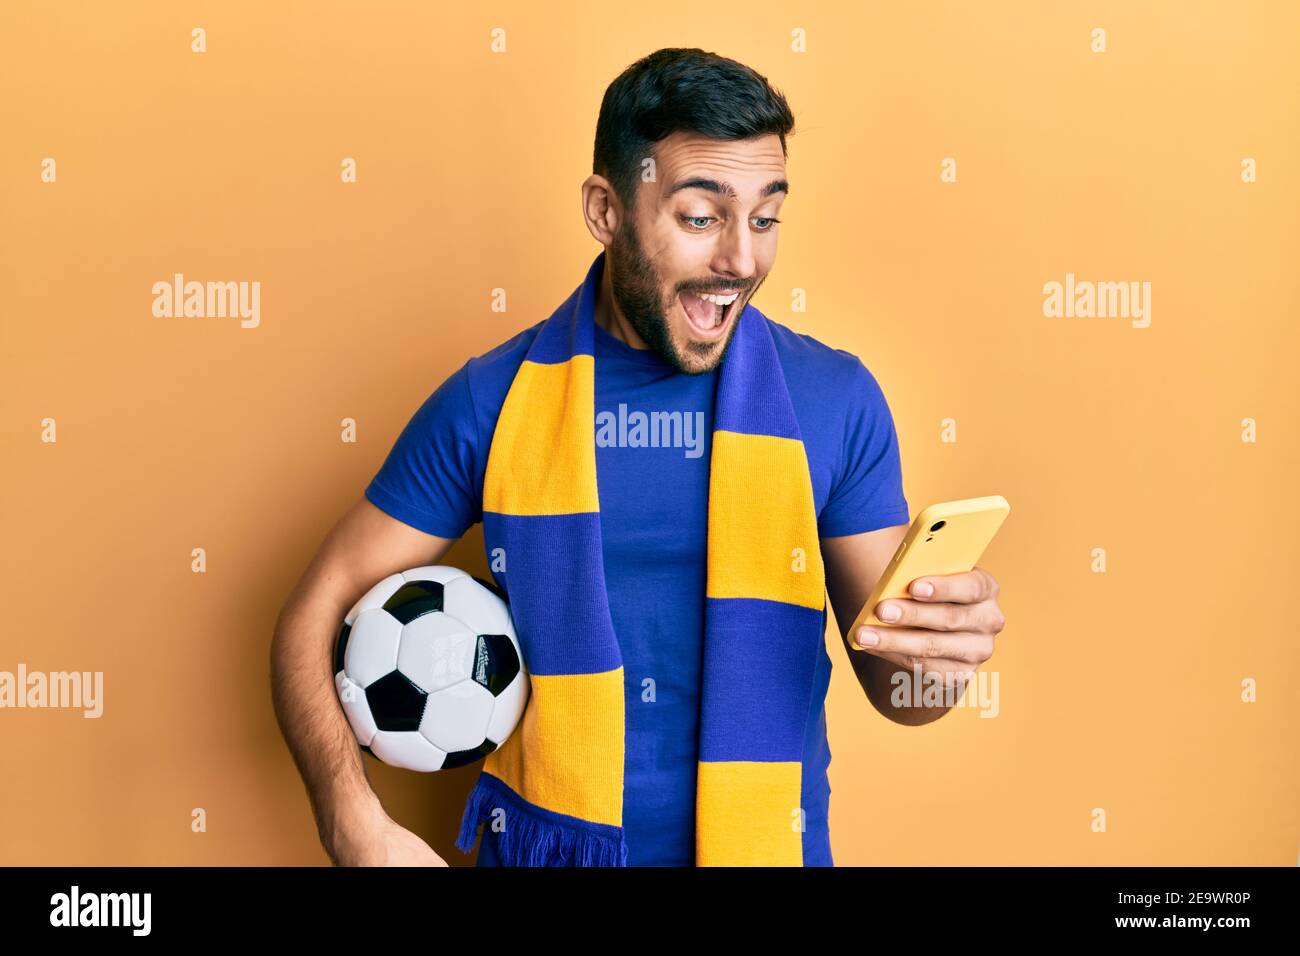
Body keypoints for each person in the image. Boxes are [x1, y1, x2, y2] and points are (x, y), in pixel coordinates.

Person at [271, 47, 1007, 867]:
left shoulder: (835, 401)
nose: (741, 259)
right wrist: (352, 824)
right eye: (701, 216)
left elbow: (902, 696)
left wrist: (938, 662)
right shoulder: (494, 401)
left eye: (765, 219)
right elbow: (315, 609)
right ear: (605, 210)